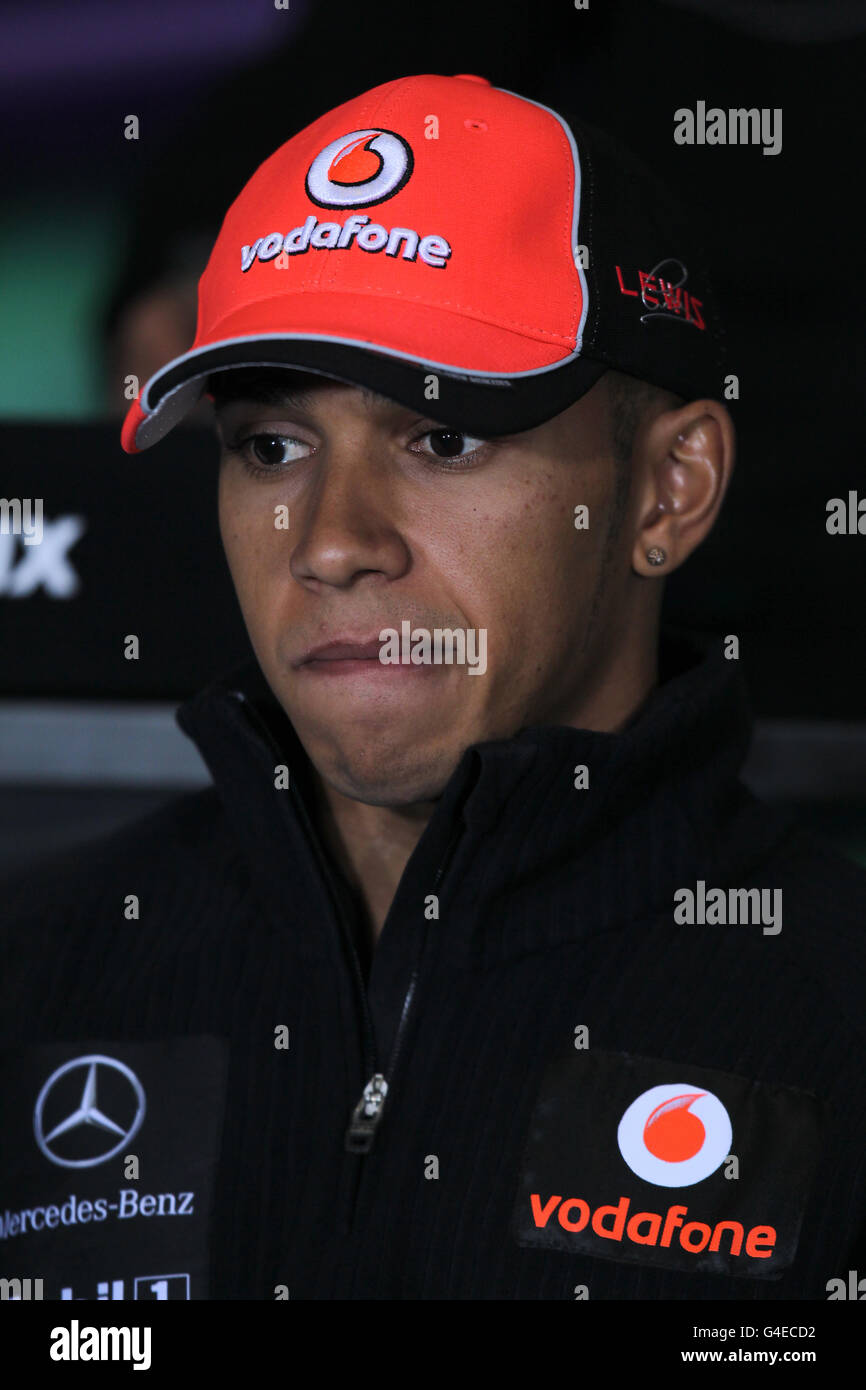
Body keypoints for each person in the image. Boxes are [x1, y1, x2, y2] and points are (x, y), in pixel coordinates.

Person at [2, 74, 864, 1302]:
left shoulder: (831, 1017)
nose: (332, 540)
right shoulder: (33, 971)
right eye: (271, 446)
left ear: (668, 490)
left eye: (443, 436)